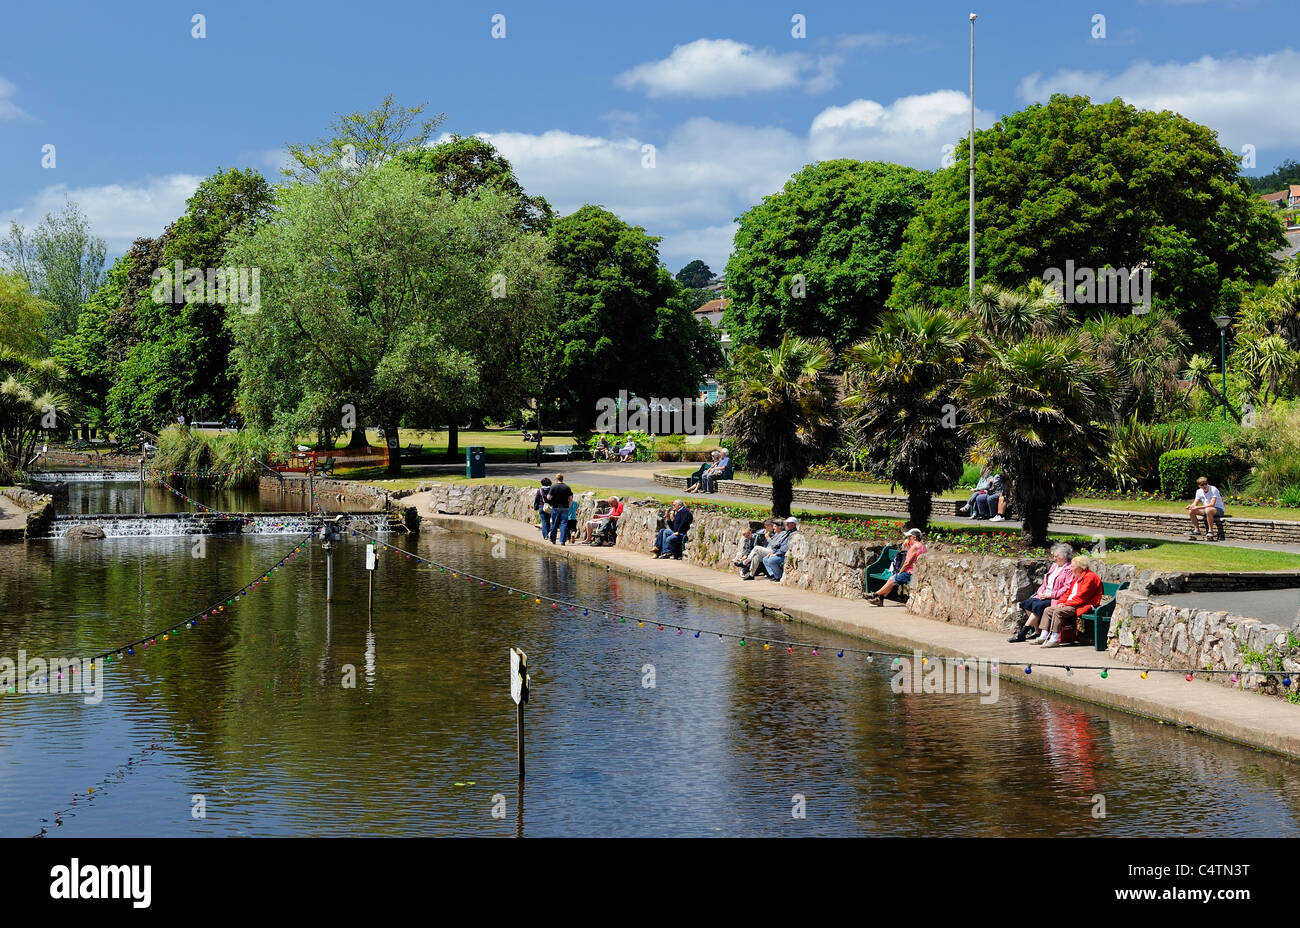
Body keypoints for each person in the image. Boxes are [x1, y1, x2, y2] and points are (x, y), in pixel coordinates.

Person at [1008, 544, 1074, 642]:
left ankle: (1023, 633)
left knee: (1039, 606)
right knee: (1028, 603)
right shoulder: (1054, 566)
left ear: (1063, 557)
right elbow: (1045, 582)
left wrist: (1050, 595)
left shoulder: (1069, 569)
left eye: (1056, 556)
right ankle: (1037, 631)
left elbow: (1067, 588)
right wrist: (1040, 592)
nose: (1054, 558)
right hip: (1045, 595)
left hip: (1056, 598)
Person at [1037, 555, 1103, 648]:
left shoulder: (1090, 577)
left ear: (1080, 567)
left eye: (1072, 566)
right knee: (1048, 610)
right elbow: (1068, 593)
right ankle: (1043, 636)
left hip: (1084, 605)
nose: (1070, 568)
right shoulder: (1078, 577)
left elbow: (1082, 597)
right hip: (1073, 604)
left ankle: (1054, 639)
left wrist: (1065, 604)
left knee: (1058, 611)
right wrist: (1061, 602)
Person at [867, 528, 926, 606]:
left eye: (909, 537)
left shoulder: (914, 547)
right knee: (892, 579)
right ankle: (880, 599)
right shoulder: (922, 546)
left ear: (914, 538)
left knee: (893, 579)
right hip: (917, 572)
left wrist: (900, 572)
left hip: (910, 573)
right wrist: (908, 543)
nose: (907, 539)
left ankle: (875, 595)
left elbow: (907, 563)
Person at [1187, 476, 1225, 541]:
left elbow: (1212, 504)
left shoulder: (1213, 489)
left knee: (1208, 509)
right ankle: (1197, 530)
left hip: (1218, 510)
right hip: (1207, 510)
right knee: (1191, 511)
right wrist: (1190, 506)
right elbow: (1195, 503)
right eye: (1202, 485)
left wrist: (1198, 507)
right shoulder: (1198, 491)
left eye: (1206, 484)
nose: (1205, 486)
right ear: (1199, 486)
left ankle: (1210, 531)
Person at [761, 517, 799, 581]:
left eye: (788, 523)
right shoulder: (788, 532)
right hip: (779, 552)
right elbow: (778, 545)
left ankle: (778, 576)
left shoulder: (793, 534)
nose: (786, 525)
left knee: (771, 560)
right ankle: (773, 575)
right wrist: (773, 553)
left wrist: (776, 554)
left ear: (793, 524)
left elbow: (785, 548)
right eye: (787, 523)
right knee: (765, 559)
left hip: (784, 554)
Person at [546, 474, 574, 545]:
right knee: (564, 524)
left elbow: (549, 497)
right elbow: (571, 499)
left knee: (554, 524)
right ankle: (562, 541)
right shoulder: (567, 487)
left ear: (556, 479)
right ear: (562, 479)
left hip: (555, 507)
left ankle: (553, 539)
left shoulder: (553, 487)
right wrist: (569, 506)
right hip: (565, 507)